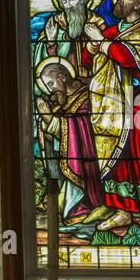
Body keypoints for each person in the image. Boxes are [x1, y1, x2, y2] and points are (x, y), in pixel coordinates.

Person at [84, 0, 140, 234]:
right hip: (112, 104)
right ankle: (123, 210)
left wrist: (103, 43)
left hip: (139, 102)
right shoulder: (112, 31)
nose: (120, 0)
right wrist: (91, 45)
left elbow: (129, 59)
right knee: (116, 156)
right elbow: (89, 61)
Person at [35, 57, 104, 224]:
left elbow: (85, 129)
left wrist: (52, 121)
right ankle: (62, 199)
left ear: (62, 78)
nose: (51, 91)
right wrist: (47, 123)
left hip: (91, 165)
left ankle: (86, 204)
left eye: (51, 84)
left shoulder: (88, 97)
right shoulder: (64, 102)